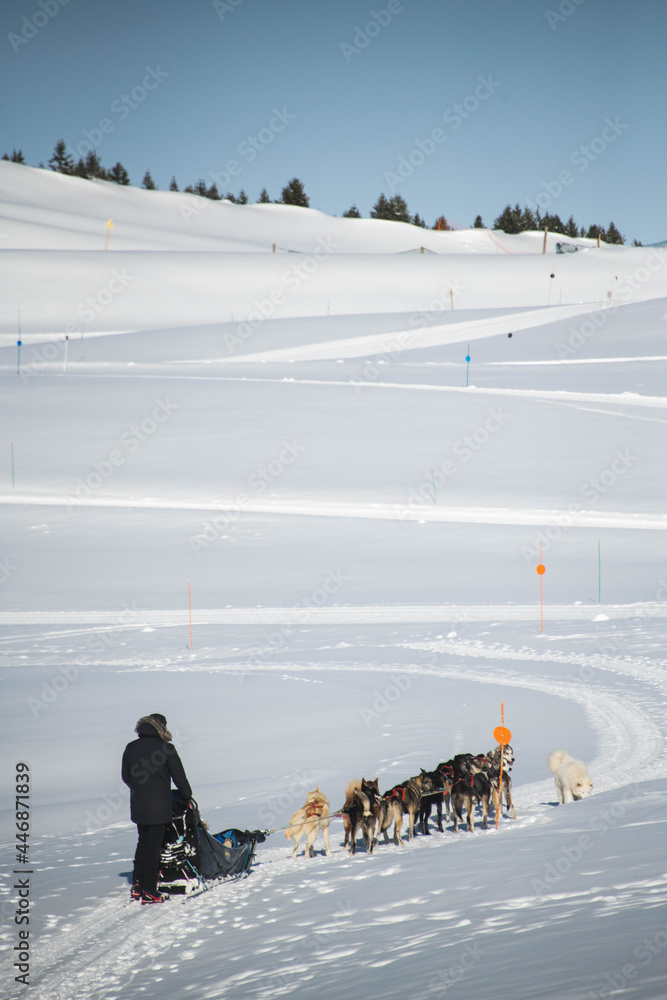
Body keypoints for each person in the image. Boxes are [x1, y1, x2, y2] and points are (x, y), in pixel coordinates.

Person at [121, 713, 193, 904]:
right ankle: (150, 890)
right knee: (154, 847)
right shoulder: (166, 749)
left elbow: (125, 776)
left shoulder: (131, 747)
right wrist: (187, 797)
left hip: (138, 806)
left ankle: (137, 885)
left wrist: (140, 788)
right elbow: (179, 778)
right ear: (161, 727)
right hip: (159, 807)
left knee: (142, 843)